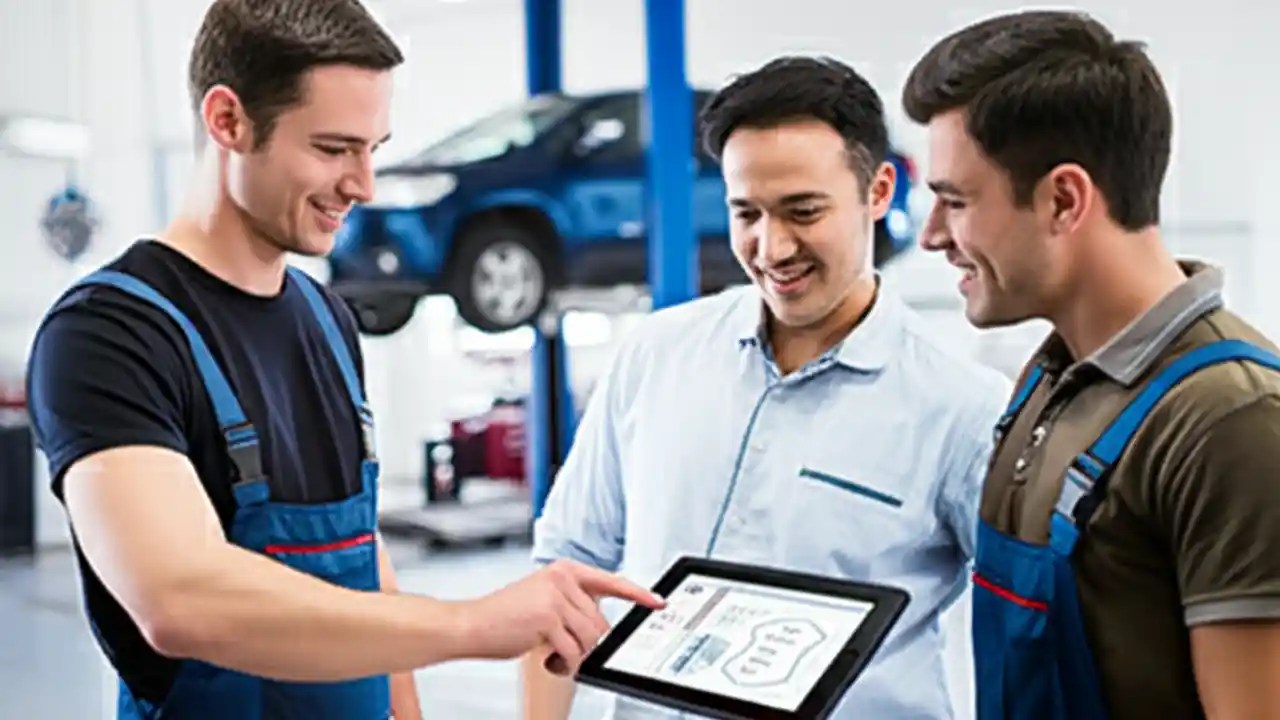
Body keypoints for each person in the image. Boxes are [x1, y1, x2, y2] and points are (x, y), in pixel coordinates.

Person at [24, 2, 662, 719]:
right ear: (227, 120)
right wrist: (472, 626)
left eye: (373, 149)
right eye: (333, 149)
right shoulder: (109, 334)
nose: (363, 186)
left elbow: (362, 559)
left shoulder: (327, 319)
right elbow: (182, 599)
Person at [522, 56, 1012, 720]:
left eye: (802, 211)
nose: (772, 247)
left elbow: (1032, 635)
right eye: (745, 212)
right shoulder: (656, 355)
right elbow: (564, 570)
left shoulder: (965, 407)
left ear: (878, 190)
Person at [902, 9, 1280, 720]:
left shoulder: (1231, 421)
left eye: (954, 201)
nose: (930, 237)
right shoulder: (1045, 385)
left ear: (1064, 199)